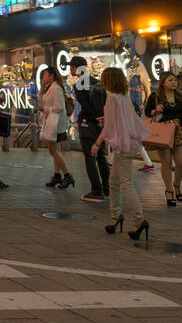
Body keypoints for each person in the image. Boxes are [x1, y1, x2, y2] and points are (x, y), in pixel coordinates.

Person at [95, 66, 149, 241]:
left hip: (123, 145)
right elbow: (125, 120)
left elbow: (110, 127)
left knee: (126, 183)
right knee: (114, 181)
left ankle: (139, 220)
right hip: (131, 143)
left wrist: (97, 143)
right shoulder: (124, 98)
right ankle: (115, 216)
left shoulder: (111, 99)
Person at [145, 71, 182, 207]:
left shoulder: (181, 96)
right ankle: (169, 190)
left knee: (181, 163)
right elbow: (148, 112)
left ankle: (176, 184)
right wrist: (155, 110)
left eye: (175, 80)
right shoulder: (156, 96)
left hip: (179, 132)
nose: (174, 82)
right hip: (164, 132)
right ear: (163, 82)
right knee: (166, 162)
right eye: (170, 80)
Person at [71, 57, 110, 203]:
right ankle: (107, 189)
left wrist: (94, 118)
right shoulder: (97, 82)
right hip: (101, 123)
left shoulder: (80, 84)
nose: (70, 69)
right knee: (101, 156)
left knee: (90, 157)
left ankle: (96, 190)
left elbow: (85, 105)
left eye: (71, 67)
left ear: (75, 67)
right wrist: (102, 119)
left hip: (88, 123)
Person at [37, 68, 73, 189]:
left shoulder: (56, 88)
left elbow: (59, 107)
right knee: (55, 150)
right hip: (53, 123)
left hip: (56, 124)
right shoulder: (51, 87)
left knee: (52, 151)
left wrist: (45, 109)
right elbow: (41, 98)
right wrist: (42, 86)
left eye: (45, 75)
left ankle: (67, 175)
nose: (43, 77)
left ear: (52, 75)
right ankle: (57, 175)